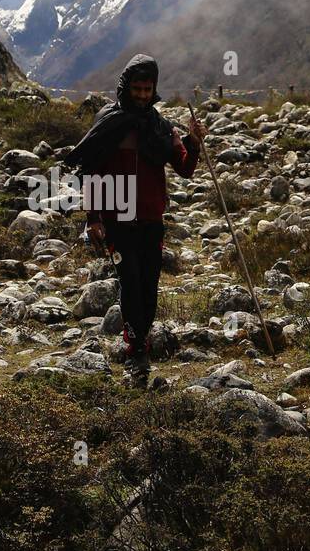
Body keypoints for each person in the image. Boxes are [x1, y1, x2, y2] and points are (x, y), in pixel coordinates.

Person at [65, 54, 206, 377]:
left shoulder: (161, 128)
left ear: (154, 89)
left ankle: (139, 339)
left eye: (148, 89)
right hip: (117, 219)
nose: (142, 94)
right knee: (129, 281)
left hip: (151, 219)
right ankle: (136, 348)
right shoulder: (109, 123)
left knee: (149, 283)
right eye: (137, 88)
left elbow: (184, 168)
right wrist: (94, 218)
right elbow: (93, 172)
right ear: (126, 87)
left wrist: (194, 142)